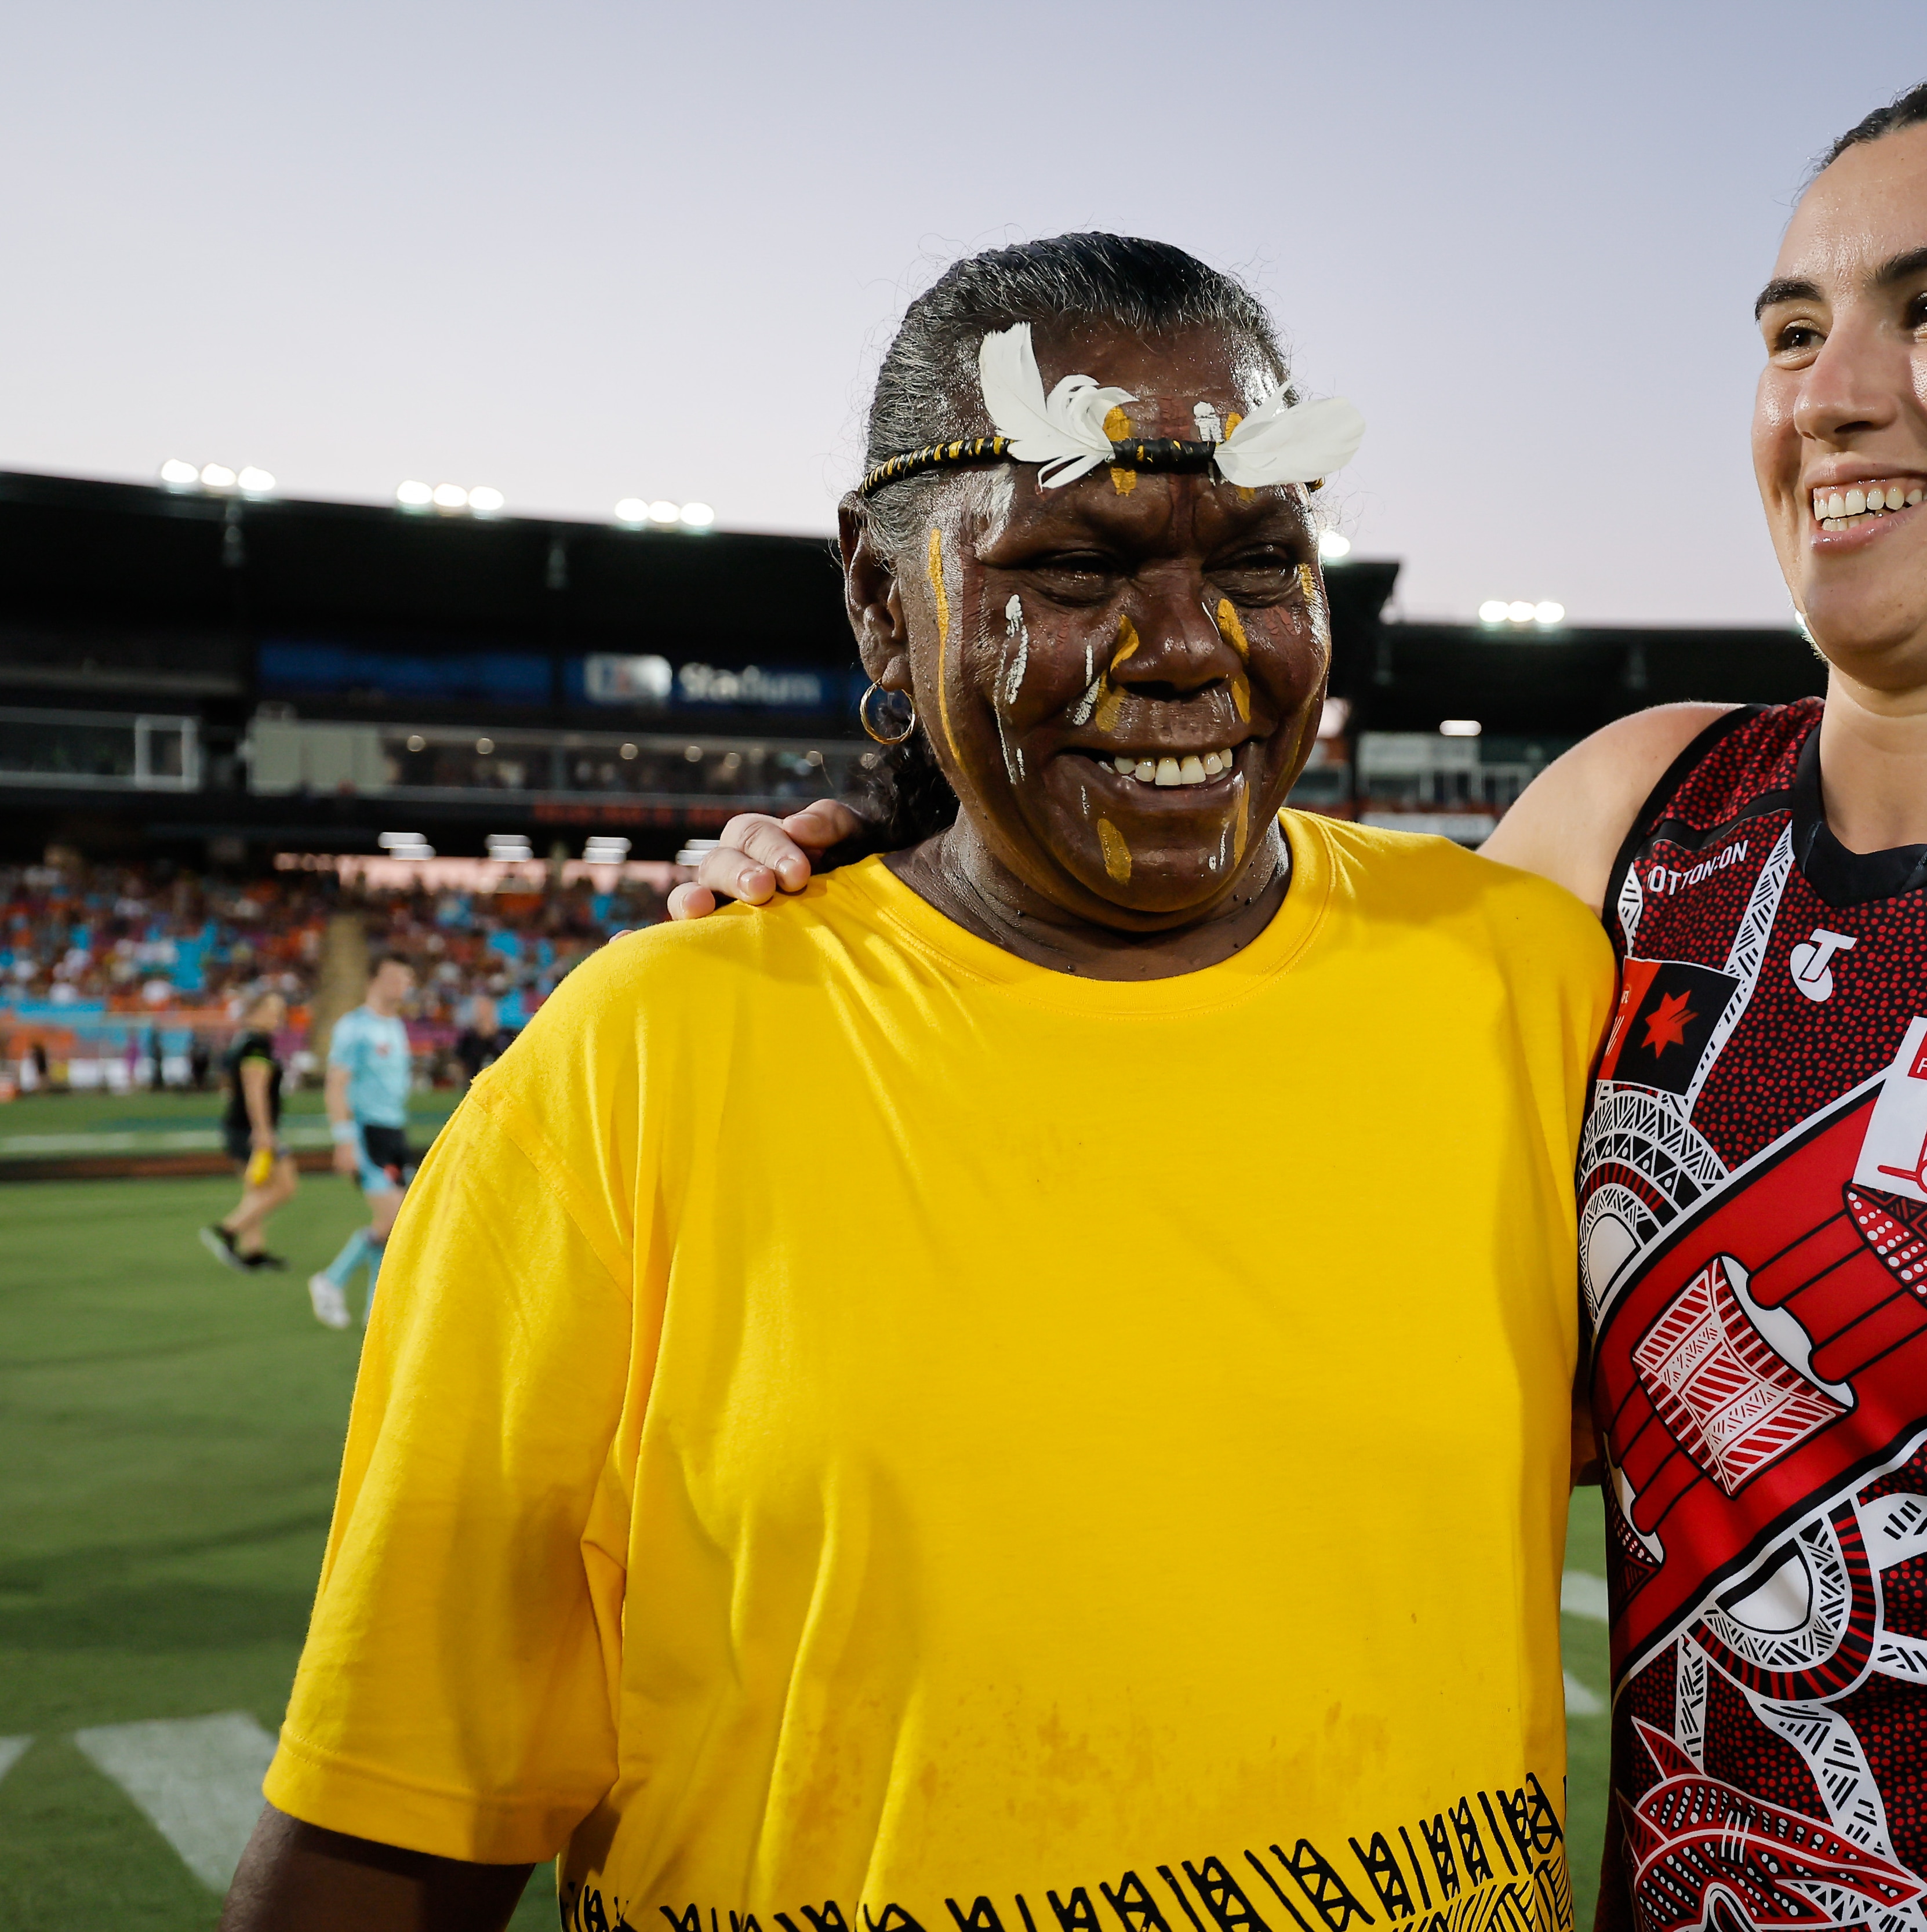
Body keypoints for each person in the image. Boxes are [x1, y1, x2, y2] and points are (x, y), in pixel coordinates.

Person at [685, 66, 1927, 1931]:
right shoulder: (1625, 823)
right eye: (1792, 330)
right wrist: (912, 855)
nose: (1830, 391)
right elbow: (1220, 1058)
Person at [221, 235, 1604, 1932]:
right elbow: (392, 1825)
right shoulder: (639, 1061)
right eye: (1076, 567)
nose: (1191, 645)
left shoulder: (1525, 983)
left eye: (1258, 558)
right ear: (883, 598)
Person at [306, 954, 418, 1330]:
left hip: (394, 1131)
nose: (402, 984)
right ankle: (331, 1280)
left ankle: (375, 1308)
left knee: (392, 1224)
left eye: (406, 977)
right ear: (374, 979)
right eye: (394, 976)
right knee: (396, 1219)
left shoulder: (396, 1026)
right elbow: (336, 1084)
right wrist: (344, 1140)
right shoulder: (354, 1027)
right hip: (368, 1132)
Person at [201, 987, 297, 1272]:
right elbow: (255, 1089)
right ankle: (227, 1230)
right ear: (254, 1012)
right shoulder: (257, 1044)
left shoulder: (245, 1041)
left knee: (258, 1189)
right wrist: (263, 1131)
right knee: (285, 1186)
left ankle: (254, 1251)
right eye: (272, 1010)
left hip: (239, 1126)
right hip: (250, 1129)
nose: (278, 1016)